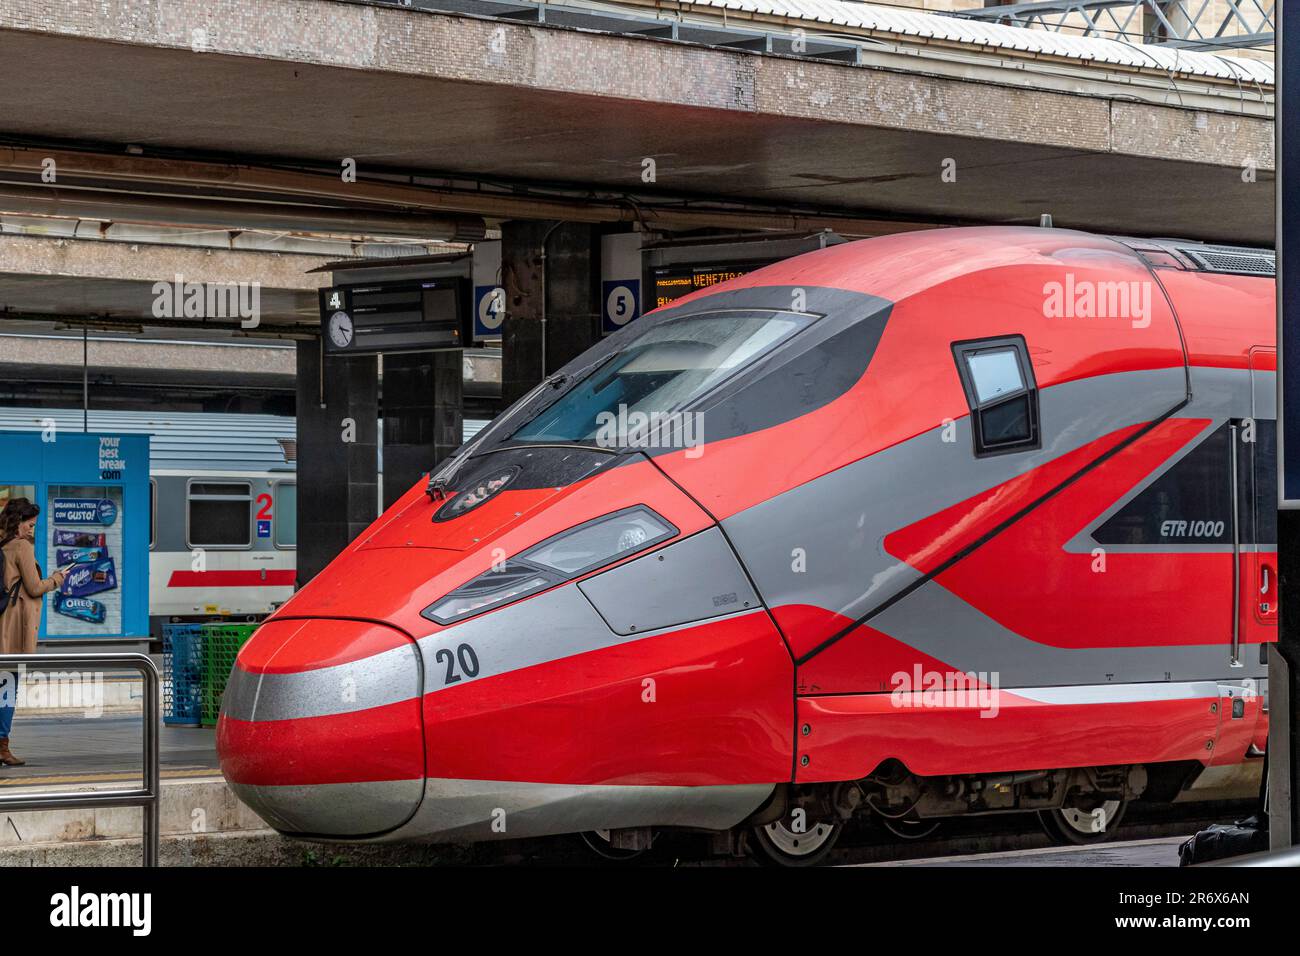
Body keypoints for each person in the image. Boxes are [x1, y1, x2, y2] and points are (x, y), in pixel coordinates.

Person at [0, 498, 65, 766]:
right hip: (14, 626)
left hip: (2, 621)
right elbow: (35, 587)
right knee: (8, 686)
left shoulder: (2, 545)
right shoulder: (22, 548)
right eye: (30, 524)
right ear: (19, 522)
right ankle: (2, 747)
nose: (32, 529)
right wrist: (56, 580)